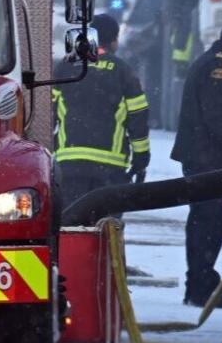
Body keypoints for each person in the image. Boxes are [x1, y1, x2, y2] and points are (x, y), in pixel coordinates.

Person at [172, 16, 222, 308]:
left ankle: (200, 284)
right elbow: (217, 118)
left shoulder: (217, 62)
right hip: (209, 160)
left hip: (207, 158)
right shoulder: (220, 68)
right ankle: (201, 287)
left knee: (206, 222)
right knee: (209, 224)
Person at [52, 14, 151, 205]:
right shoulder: (123, 71)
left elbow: (48, 114)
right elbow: (138, 118)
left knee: (70, 224)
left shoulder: (66, 67)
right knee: (107, 227)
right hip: (110, 168)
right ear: (114, 40)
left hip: (70, 163)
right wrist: (141, 159)